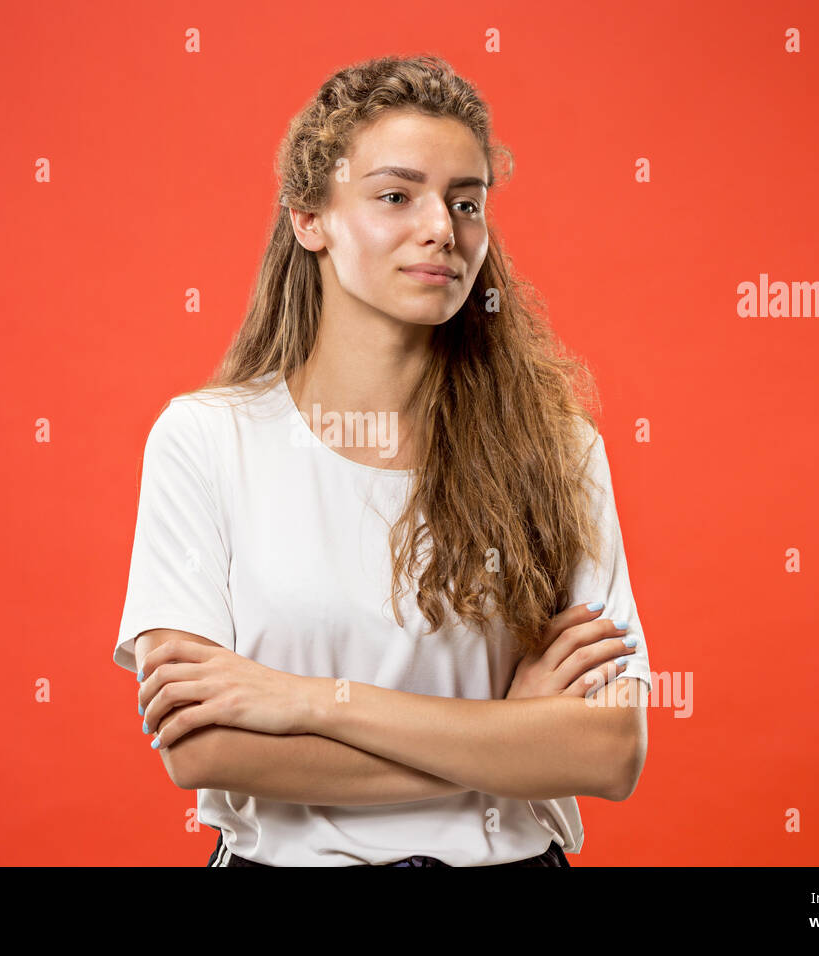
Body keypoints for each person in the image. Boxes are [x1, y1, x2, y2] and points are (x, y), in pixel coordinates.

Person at [114, 54, 652, 867]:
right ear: (310, 218)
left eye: (465, 201)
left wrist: (303, 702)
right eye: (396, 196)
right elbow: (204, 749)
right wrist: (510, 740)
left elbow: (608, 751)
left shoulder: (558, 447)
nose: (442, 228)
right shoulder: (205, 440)